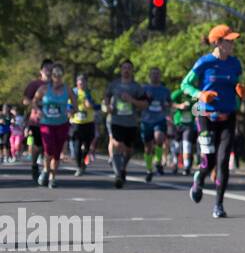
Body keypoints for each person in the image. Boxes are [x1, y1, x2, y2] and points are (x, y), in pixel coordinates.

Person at [182, 25, 245, 218]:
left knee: (223, 160)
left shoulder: (235, 63)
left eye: (233, 41)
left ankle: (218, 205)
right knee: (208, 158)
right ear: (218, 42)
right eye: (229, 41)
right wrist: (200, 94)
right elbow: (185, 85)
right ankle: (199, 178)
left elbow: (238, 84)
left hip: (228, 116)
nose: (232, 44)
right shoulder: (204, 62)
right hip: (205, 114)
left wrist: (240, 92)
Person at [103, 60, 149, 188]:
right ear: (121, 70)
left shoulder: (137, 87)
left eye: (129, 68)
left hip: (131, 122)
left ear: (132, 70)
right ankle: (118, 175)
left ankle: (122, 168)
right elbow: (106, 98)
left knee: (129, 150)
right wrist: (107, 106)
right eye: (124, 68)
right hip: (116, 120)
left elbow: (145, 104)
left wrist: (132, 100)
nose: (126, 70)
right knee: (118, 145)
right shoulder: (114, 85)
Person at [32, 64, 73, 188]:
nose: (57, 76)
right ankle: (45, 170)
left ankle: (52, 178)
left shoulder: (67, 89)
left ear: (62, 75)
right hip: (47, 123)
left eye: (59, 74)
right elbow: (34, 101)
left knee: (56, 152)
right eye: (55, 74)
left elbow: (75, 105)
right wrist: (37, 110)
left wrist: (71, 111)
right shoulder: (44, 89)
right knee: (48, 149)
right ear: (52, 75)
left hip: (62, 124)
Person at [22, 60, 53, 184]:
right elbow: (25, 100)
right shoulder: (34, 84)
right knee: (38, 146)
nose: (49, 71)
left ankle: (46, 172)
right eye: (46, 68)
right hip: (36, 120)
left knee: (49, 147)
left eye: (51, 68)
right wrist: (36, 106)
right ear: (41, 71)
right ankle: (35, 165)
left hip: (52, 121)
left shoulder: (56, 85)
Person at [139, 67, 171, 183]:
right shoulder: (144, 88)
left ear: (160, 76)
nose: (155, 76)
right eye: (153, 74)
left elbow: (169, 103)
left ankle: (158, 161)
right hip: (146, 120)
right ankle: (149, 169)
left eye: (157, 74)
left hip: (159, 119)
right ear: (149, 76)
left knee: (159, 138)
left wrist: (166, 105)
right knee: (148, 147)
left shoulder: (165, 90)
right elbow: (139, 102)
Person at [68, 74, 98, 177]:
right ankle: (79, 166)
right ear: (77, 83)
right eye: (79, 82)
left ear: (86, 83)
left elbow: (97, 106)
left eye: (83, 82)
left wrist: (91, 105)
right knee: (76, 147)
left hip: (89, 122)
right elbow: (68, 105)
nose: (81, 84)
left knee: (87, 145)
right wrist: (70, 111)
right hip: (77, 123)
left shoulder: (90, 93)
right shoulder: (74, 92)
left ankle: (83, 163)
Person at [170, 86, 197, 177]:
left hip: (189, 123)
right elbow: (169, 102)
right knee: (176, 145)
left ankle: (186, 166)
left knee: (187, 144)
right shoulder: (177, 93)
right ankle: (175, 163)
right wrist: (179, 106)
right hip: (178, 123)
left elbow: (198, 104)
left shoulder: (194, 95)